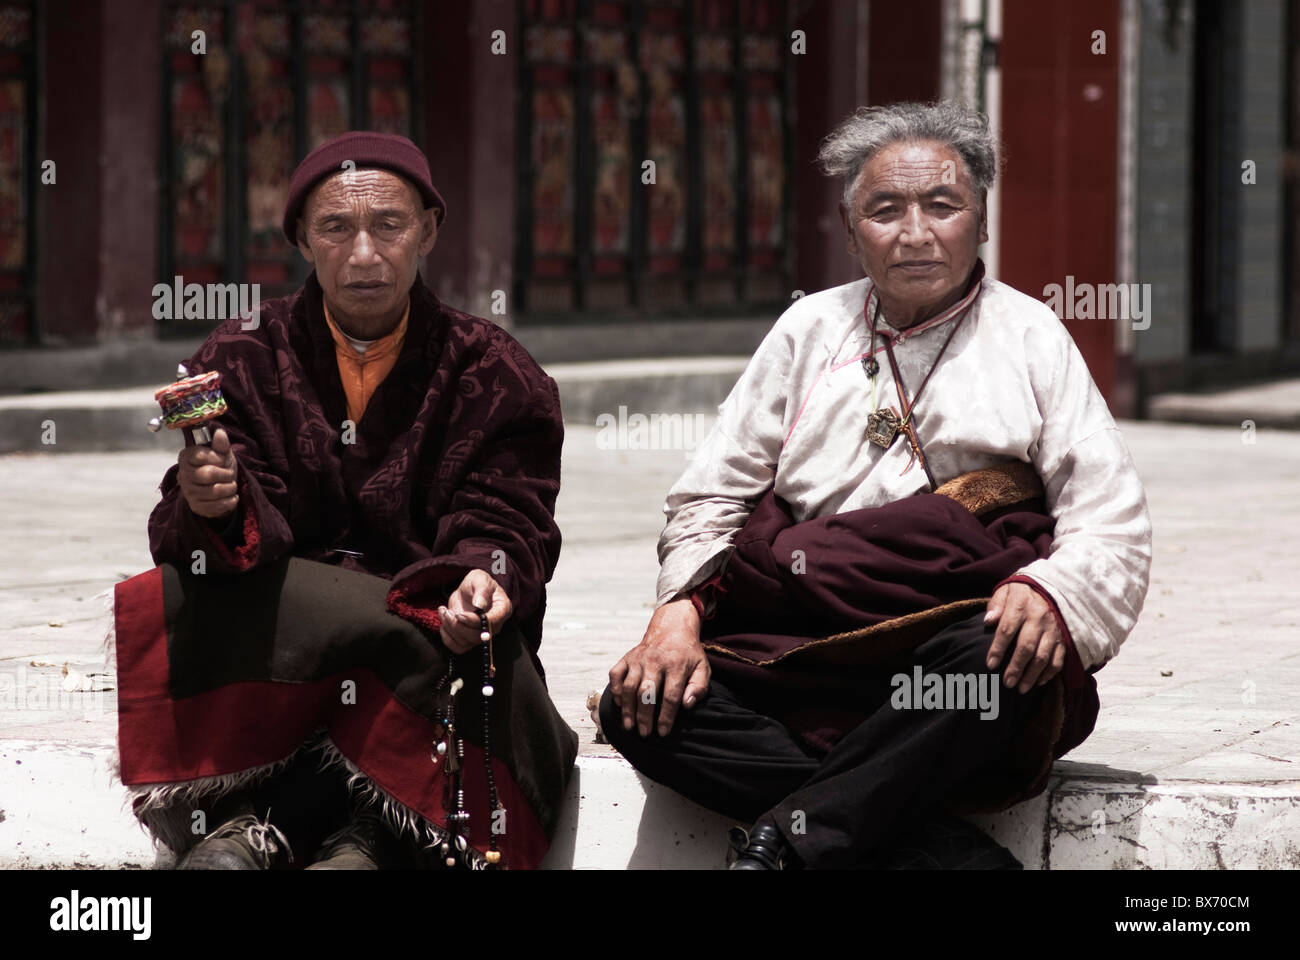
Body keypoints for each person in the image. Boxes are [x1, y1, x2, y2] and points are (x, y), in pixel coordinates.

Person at [600, 101, 1153, 869]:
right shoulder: (809, 330)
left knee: (1005, 655)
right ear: (850, 226)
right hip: (806, 647)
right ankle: (936, 856)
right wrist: (676, 617)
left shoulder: (1031, 336)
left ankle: (796, 840)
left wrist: (1051, 592)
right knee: (641, 706)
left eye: (942, 206)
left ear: (982, 221)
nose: (916, 233)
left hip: (947, 668)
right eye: (886, 210)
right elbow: (712, 496)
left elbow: (1110, 520)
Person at [112, 131, 577, 870]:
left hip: (430, 641)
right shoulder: (242, 355)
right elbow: (200, 527)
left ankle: (316, 834)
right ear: (301, 237)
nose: (364, 254)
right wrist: (213, 502)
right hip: (300, 634)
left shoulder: (498, 373)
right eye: (336, 228)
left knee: (474, 647)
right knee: (186, 594)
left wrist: (483, 576)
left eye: (388, 225)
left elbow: (508, 519)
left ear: (428, 229)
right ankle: (312, 832)